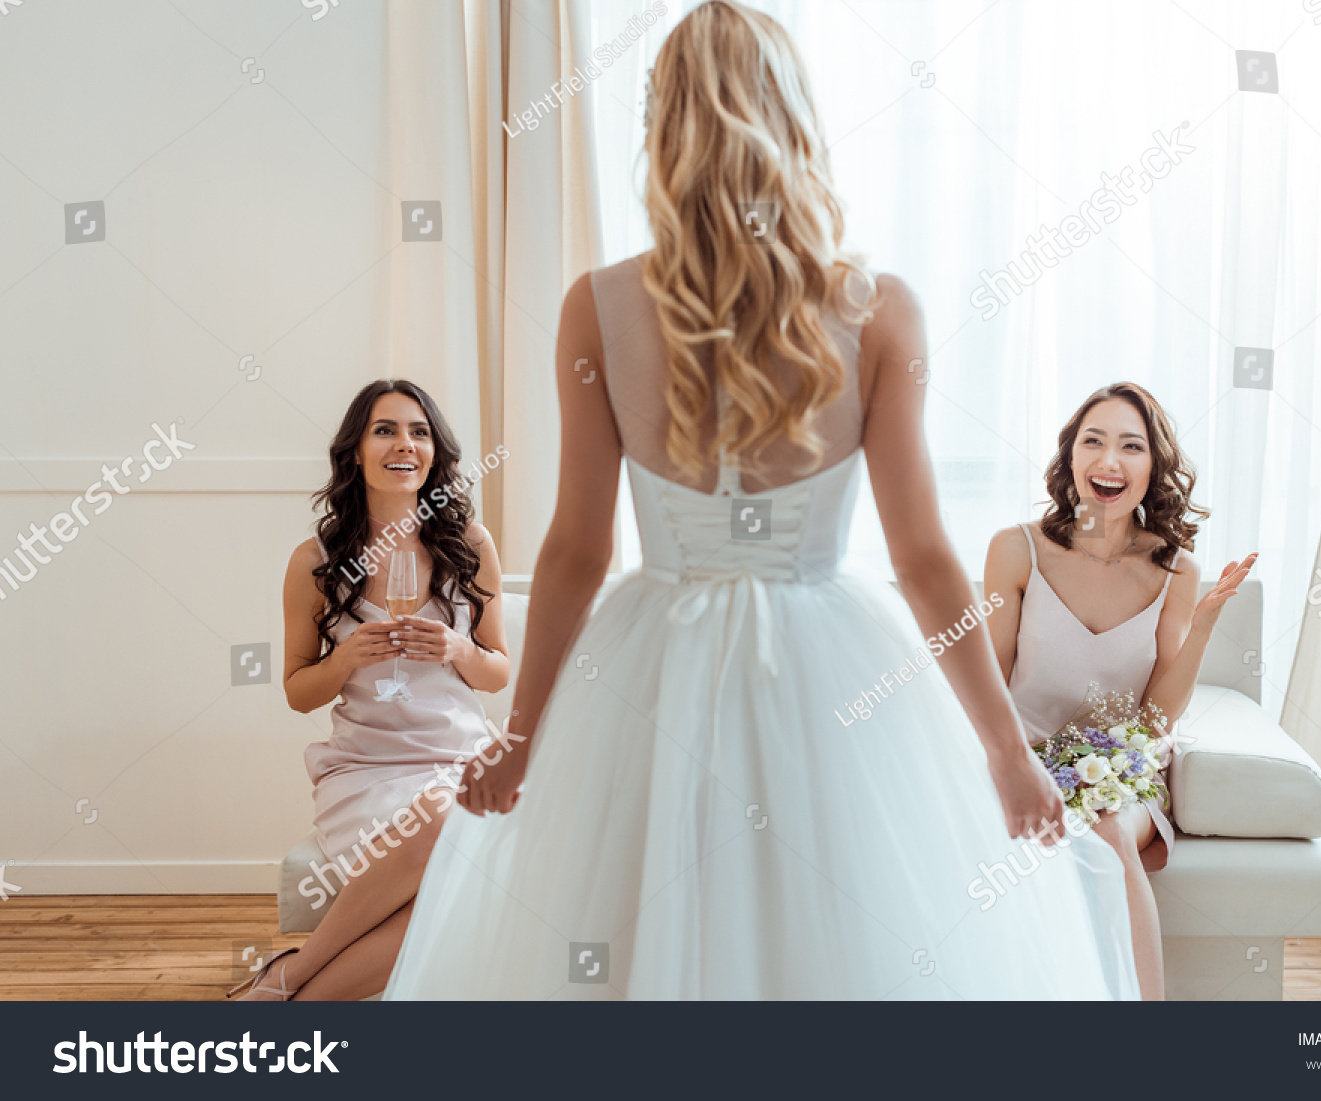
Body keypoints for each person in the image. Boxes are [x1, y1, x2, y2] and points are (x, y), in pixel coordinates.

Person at [385, 0, 1137, 1000]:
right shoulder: (876, 310)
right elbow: (921, 560)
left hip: (645, 664)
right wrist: (1004, 752)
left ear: (665, 130)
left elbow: (576, 551)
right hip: (831, 673)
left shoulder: (599, 305)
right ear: (794, 126)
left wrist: (521, 744)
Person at [230, 379, 509, 1000]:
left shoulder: (470, 545)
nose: (403, 444)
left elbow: (499, 670)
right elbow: (299, 693)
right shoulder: (315, 560)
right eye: (385, 430)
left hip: (461, 756)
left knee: (451, 884)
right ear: (355, 451)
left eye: (419, 431)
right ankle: (290, 982)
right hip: (368, 769)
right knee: (444, 814)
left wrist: (459, 650)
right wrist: (347, 658)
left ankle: (290, 986)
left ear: (435, 451)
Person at [983, 381, 1257, 999]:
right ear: (1071, 458)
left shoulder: (1175, 568)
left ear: (1153, 466)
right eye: (1093, 442)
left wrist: (1206, 621)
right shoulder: (1016, 550)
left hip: (1121, 767)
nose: (1109, 461)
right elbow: (991, 683)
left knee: (1107, 835)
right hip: (1025, 759)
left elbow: (1158, 716)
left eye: (1131, 446)